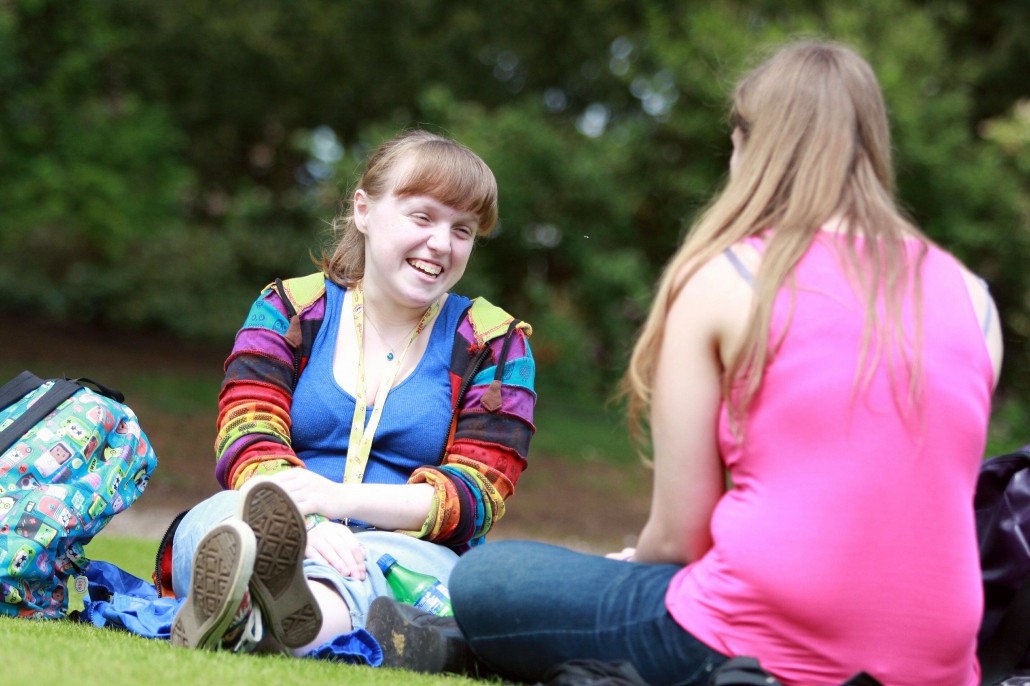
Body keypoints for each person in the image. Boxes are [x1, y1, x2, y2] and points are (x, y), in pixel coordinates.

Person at [366, 41, 1003, 685]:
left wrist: (633, 561)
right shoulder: (973, 300)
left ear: (752, 146)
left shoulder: (730, 276)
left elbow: (680, 540)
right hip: (938, 661)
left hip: (754, 633)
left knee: (488, 579)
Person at [164, 129, 536, 658]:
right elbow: (248, 437)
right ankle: (264, 603)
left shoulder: (496, 345)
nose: (441, 244)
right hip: (268, 515)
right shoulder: (289, 310)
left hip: (405, 548)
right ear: (363, 209)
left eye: (463, 230)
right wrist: (304, 526)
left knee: (377, 574)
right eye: (423, 217)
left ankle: (270, 617)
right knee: (219, 519)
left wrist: (340, 502)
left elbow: (477, 494)